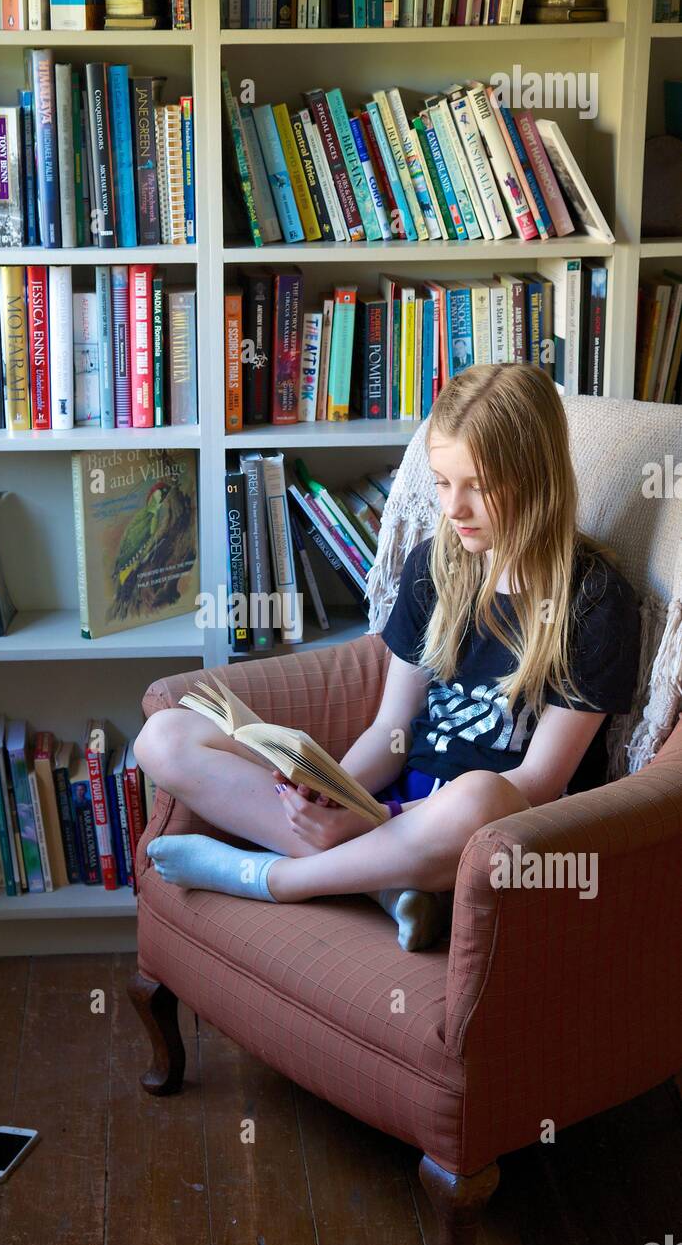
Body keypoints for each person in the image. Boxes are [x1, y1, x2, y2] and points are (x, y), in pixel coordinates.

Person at [136, 362, 641, 950]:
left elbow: (537, 785)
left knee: (481, 793)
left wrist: (375, 823)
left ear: (535, 475)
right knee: (165, 736)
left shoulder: (595, 601)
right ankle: (384, 881)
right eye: (443, 482)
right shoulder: (435, 564)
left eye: (477, 485)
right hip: (397, 805)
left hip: (485, 828)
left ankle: (278, 877)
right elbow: (391, 727)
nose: (454, 508)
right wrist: (334, 796)